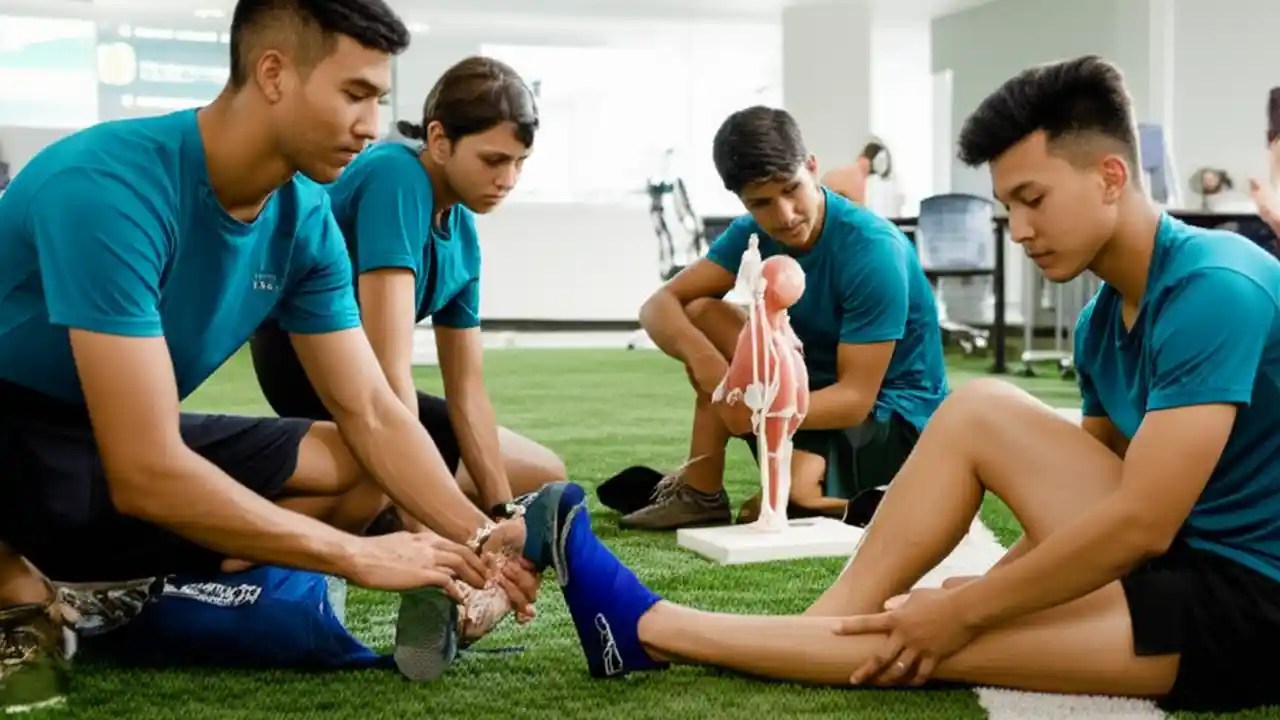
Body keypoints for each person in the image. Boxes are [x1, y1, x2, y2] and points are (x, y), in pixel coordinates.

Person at [520, 54, 1280, 715]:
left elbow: (1139, 524)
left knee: (933, 644)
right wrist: (981, 593)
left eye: (1033, 199)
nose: (1017, 229)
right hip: (1168, 558)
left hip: (1246, 604)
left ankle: (650, 628)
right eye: (1007, 206)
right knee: (979, 410)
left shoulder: (1215, 286)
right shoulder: (1099, 323)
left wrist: (968, 612)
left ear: (1111, 177)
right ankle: (817, 627)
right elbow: (1085, 507)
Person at [0, 0, 543, 711]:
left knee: (359, 468)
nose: (371, 126)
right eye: (354, 94)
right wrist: (355, 555)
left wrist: (477, 536)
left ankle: (103, 584)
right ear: (274, 74)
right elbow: (146, 472)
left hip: (103, 438)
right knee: (113, 504)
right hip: (16, 428)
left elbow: (374, 410)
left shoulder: (304, 216)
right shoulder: (110, 187)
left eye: (378, 100)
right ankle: (28, 582)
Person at [249, 55, 566, 534]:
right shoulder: (396, 178)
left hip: (373, 382)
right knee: (380, 482)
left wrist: (502, 511)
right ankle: (235, 526)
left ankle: (381, 505)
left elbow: (467, 392)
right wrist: (427, 527)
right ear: (439, 140)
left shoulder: (463, 230)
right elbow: (388, 369)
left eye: (519, 162)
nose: (508, 180)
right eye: (493, 160)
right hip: (306, 366)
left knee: (544, 474)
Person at [604, 106, 947, 530]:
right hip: (810, 389)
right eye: (761, 203)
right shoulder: (753, 232)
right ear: (742, 201)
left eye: (792, 189)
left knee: (773, 507)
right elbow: (658, 306)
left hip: (892, 417)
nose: (784, 215)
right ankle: (700, 493)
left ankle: (859, 498)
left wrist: (754, 411)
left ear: (812, 167)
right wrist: (713, 372)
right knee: (701, 312)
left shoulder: (873, 251)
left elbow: (855, 400)